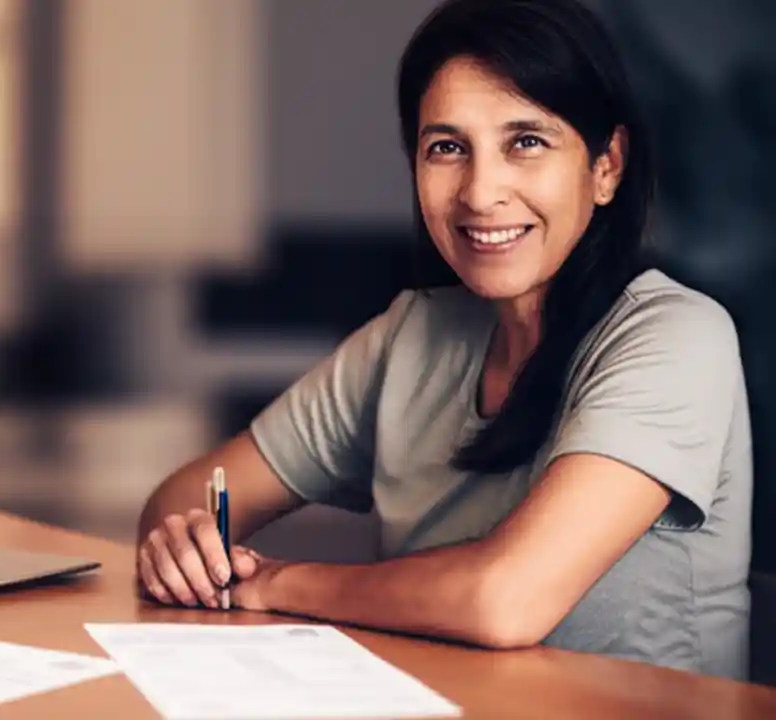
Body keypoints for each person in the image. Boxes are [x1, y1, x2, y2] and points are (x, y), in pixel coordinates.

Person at [135, 0, 752, 680]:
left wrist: (272, 582)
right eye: (448, 148)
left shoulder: (677, 338)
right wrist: (187, 546)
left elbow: (503, 600)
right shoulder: (413, 335)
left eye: (527, 142)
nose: (481, 192)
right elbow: (188, 495)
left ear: (606, 166)